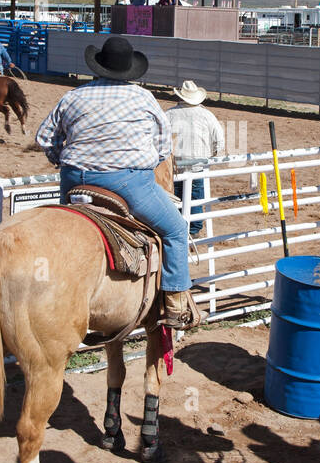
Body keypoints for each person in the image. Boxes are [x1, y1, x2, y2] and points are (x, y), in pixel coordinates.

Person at [36, 36, 199, 329]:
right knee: (176, 229)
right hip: (128, 183)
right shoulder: (143, 98)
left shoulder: (73, 96)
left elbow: (44, 138)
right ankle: (174, 303)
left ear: (98, 67)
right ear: (130, 70)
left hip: (75, 182)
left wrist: (62, 158)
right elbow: (163, 148)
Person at [166, 80, 225, 239]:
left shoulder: (169, 114)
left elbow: (159, 139)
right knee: (196, 197)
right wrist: (209, 156)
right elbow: (219, 141)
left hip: (175, 165)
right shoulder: (207, 115)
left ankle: (179, 229)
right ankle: (194, 229)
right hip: (198, 164)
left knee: (176, 198)